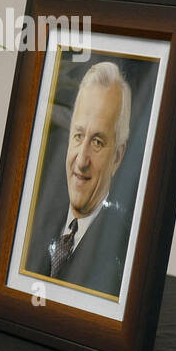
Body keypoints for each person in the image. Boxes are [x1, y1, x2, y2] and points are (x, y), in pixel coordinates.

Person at [24, 60, 134, 297]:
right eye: (78, 135)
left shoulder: (124, 254)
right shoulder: (31, 220)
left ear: (117, 156)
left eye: (97, 142)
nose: (81, 160)